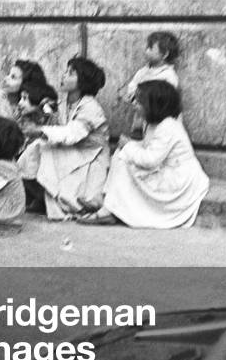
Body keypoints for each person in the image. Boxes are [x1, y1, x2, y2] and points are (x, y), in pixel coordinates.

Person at [79, 81, 210, 228]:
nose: (135, 104)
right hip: (165, 170)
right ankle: (107, 201)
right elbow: (150, 148)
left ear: (154, 105)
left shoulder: (168, 126)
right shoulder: (152, 123)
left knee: (124, 159)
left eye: (140, 102)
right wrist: (130, 146)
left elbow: (150, 160)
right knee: (121, 155)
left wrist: (128, 146)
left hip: (178, 179)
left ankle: (108, 211)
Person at [19, 57, 110, 220]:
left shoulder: (91, 107)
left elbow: (72, 133)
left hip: (91, 159)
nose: (63, 76)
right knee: (37, 148)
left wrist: (39, 130)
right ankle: (40, 196)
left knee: (43, 148)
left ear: (82, 82)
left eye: (70, 73)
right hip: (72, 153)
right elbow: (51, 119)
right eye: (65, 71)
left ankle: (50, 199)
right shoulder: (62, 103)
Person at [0, 60, 57, 180]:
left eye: (13, 77)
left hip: (26, 158)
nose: (6, 79)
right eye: (8, 75)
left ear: (26, 83)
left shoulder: (31, 103)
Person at [120, 31, 180, 138]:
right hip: (141, 118)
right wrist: (132, 97)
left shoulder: (169, 76)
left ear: (165, 54)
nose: (146, 51)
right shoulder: (143, 71)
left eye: (151, 48)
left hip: (159, 122)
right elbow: (132, 88)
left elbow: (167, 102)